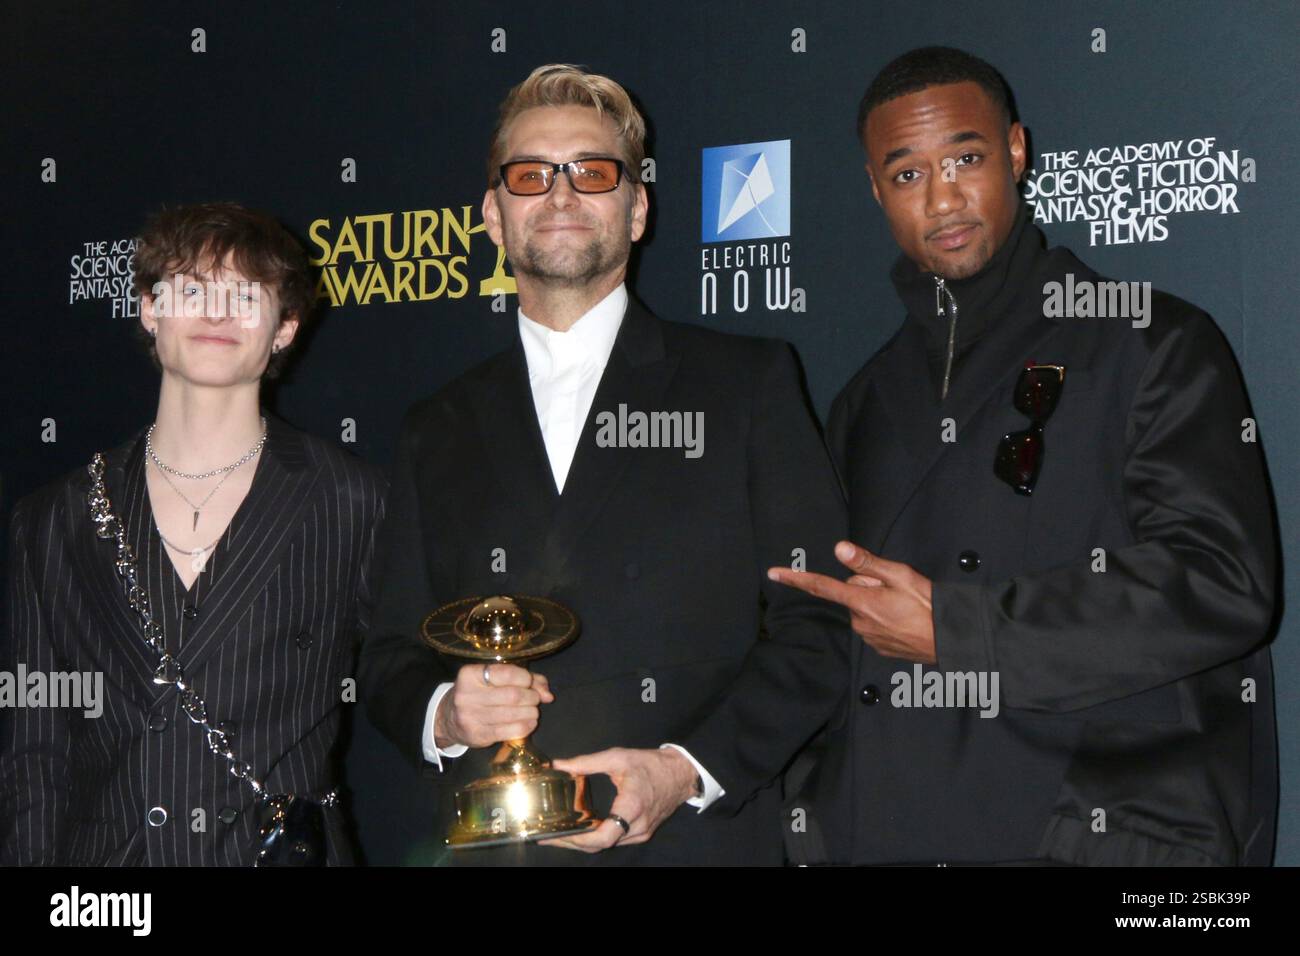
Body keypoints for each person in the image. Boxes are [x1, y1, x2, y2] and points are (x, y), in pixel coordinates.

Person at [769, 47, 1279, 866]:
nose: (941, 198)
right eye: (906, 176)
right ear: (874, 189)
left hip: (1093, 831)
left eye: (965, 159)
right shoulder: (861, 402)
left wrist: (961, 630)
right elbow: (828, 639)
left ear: (1015, 151)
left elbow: (1221, 585)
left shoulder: (1147, 338)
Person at [358, 64, 850, 865]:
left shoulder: (746, 382)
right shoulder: (433, 426)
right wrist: (444, 713)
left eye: (591, 172)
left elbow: (823, 618)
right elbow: (388, 654)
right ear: (491, 213)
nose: (560, 194)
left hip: (696, 848)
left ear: (639, 207)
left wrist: (685, 771)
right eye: (529, 175)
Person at [1, 202, 386, 865]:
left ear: (285, 327)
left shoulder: (352, 500)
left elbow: (401, 672)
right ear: (149, 308)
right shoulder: (52, 520)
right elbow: (33, 757)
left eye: (246, 293)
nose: (217, 312)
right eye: (191, 289)